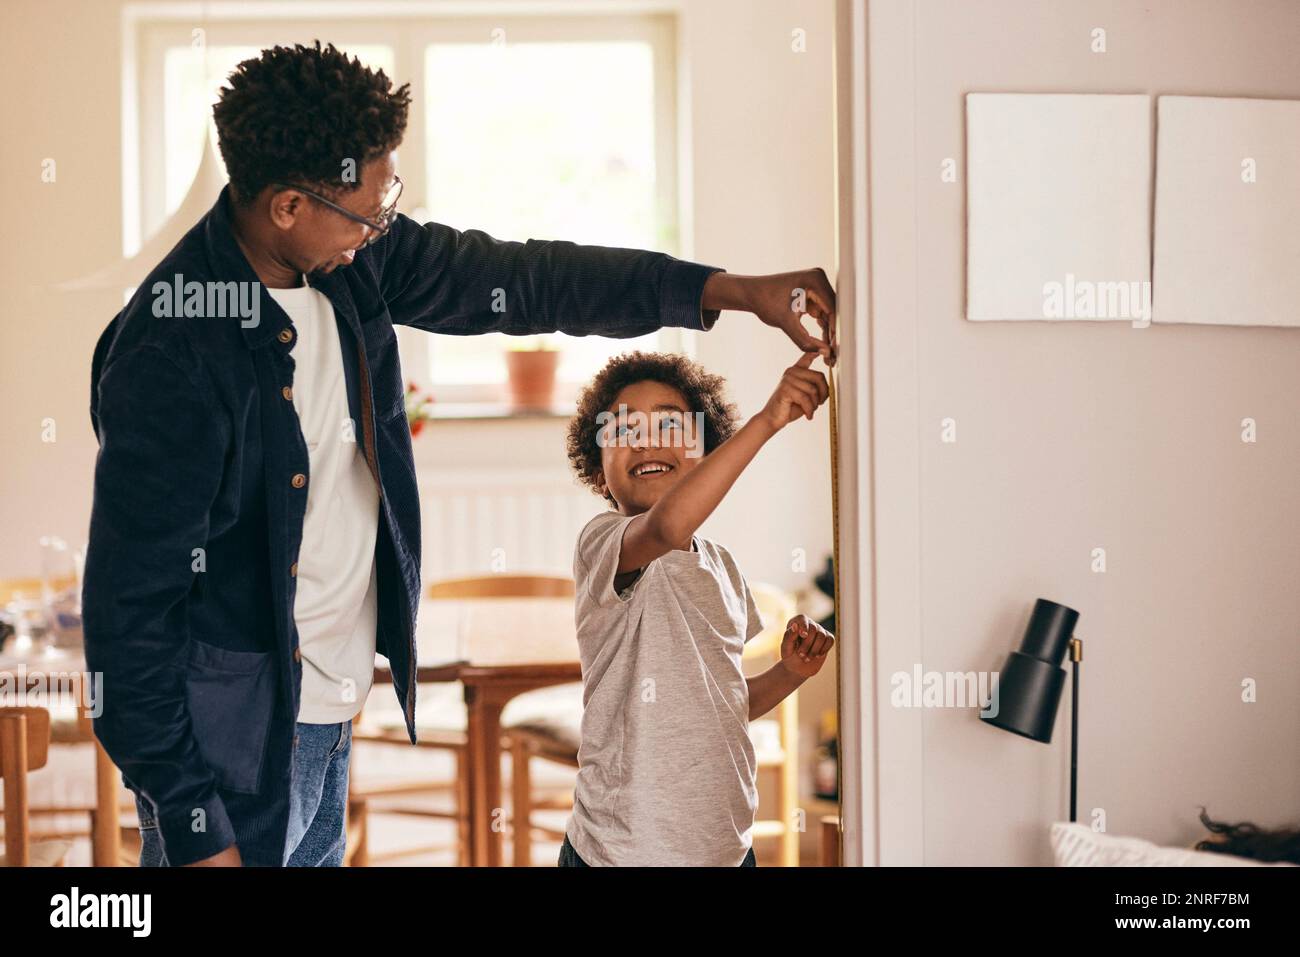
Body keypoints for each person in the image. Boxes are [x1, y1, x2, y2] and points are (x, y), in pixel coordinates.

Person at [81, 40, 836, 867]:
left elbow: (529, 277)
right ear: (289, 206)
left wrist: (726, 290)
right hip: (234, 747)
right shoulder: (169, 352)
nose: (382, 228)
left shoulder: (352, 260)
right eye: (367, 211)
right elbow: (127, 622)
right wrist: (193, 825)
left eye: (388, 199)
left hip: (331, 715)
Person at [558, 350, 836, 866]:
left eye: (669, 423)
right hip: (623, 850)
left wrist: (790, 672)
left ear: (706, 458)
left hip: (722, 846)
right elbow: (666, 528)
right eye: (622, 429)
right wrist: (769, 419)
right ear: (599, 473)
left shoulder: (723, 567)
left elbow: (720, 703)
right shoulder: (604, 543)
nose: (646, 439)